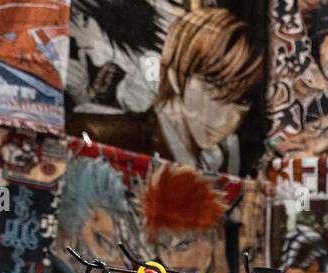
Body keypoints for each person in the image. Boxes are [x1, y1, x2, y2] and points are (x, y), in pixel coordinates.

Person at [69, 6, 263, 174]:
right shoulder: (102, 135)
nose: (224, 118)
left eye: (240, 100)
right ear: (175, 74)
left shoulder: (225, 156)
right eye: (212, 88)